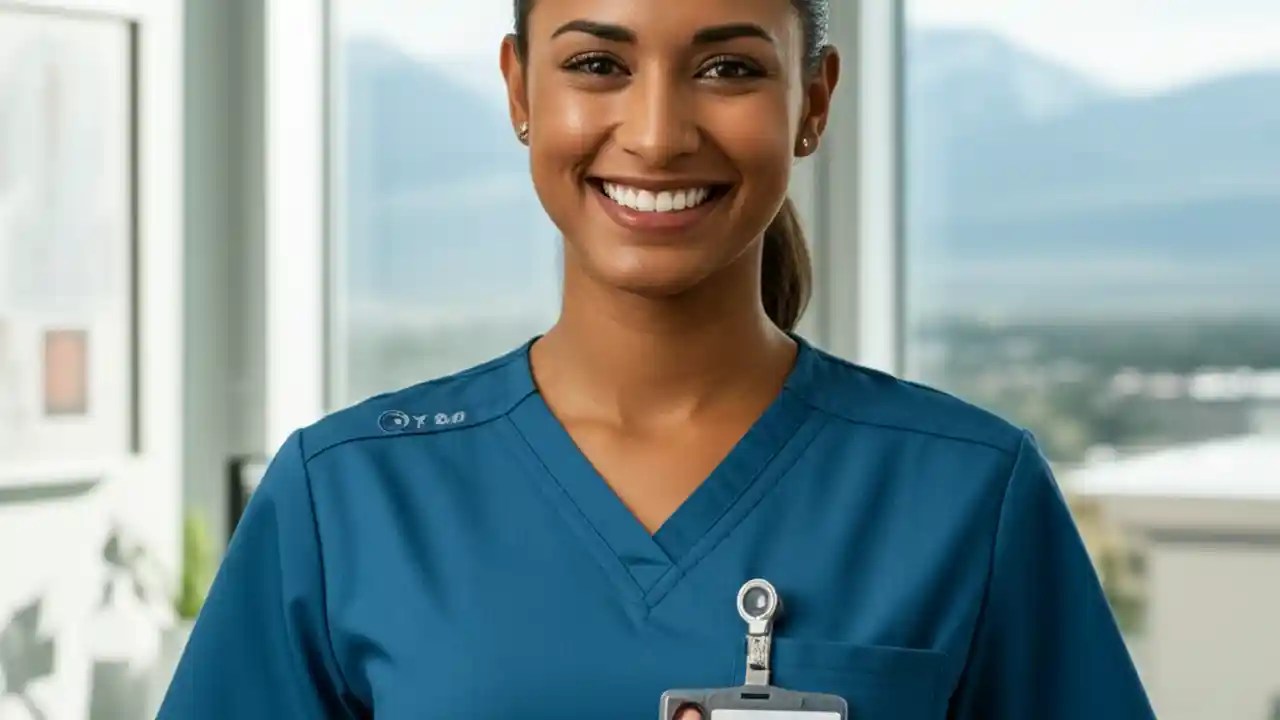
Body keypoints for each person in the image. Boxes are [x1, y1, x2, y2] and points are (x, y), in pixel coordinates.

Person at [158, 1, 1156, 718]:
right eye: (597, 65)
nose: (655, 134)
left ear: (812, 101)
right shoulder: (347, 499)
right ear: (518, 89)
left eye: (726, 69)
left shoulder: (966, 492)